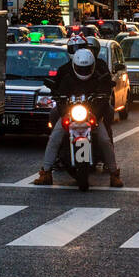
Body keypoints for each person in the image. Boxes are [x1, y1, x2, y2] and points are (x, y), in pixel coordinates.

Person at [32, 46, 123, 187]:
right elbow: (60, 98)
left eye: (86, 68)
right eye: (80, 68)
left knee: (105, 140)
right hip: (70, 114)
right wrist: (64, 110)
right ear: (74, 65)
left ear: (92, 66)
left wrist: (96, 113)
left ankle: (113, 173)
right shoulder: (68, 78)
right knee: (54, 138)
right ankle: (46, 172)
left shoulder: (98, 79)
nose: (84, 71)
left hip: (92, 115)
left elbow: (104, 98)